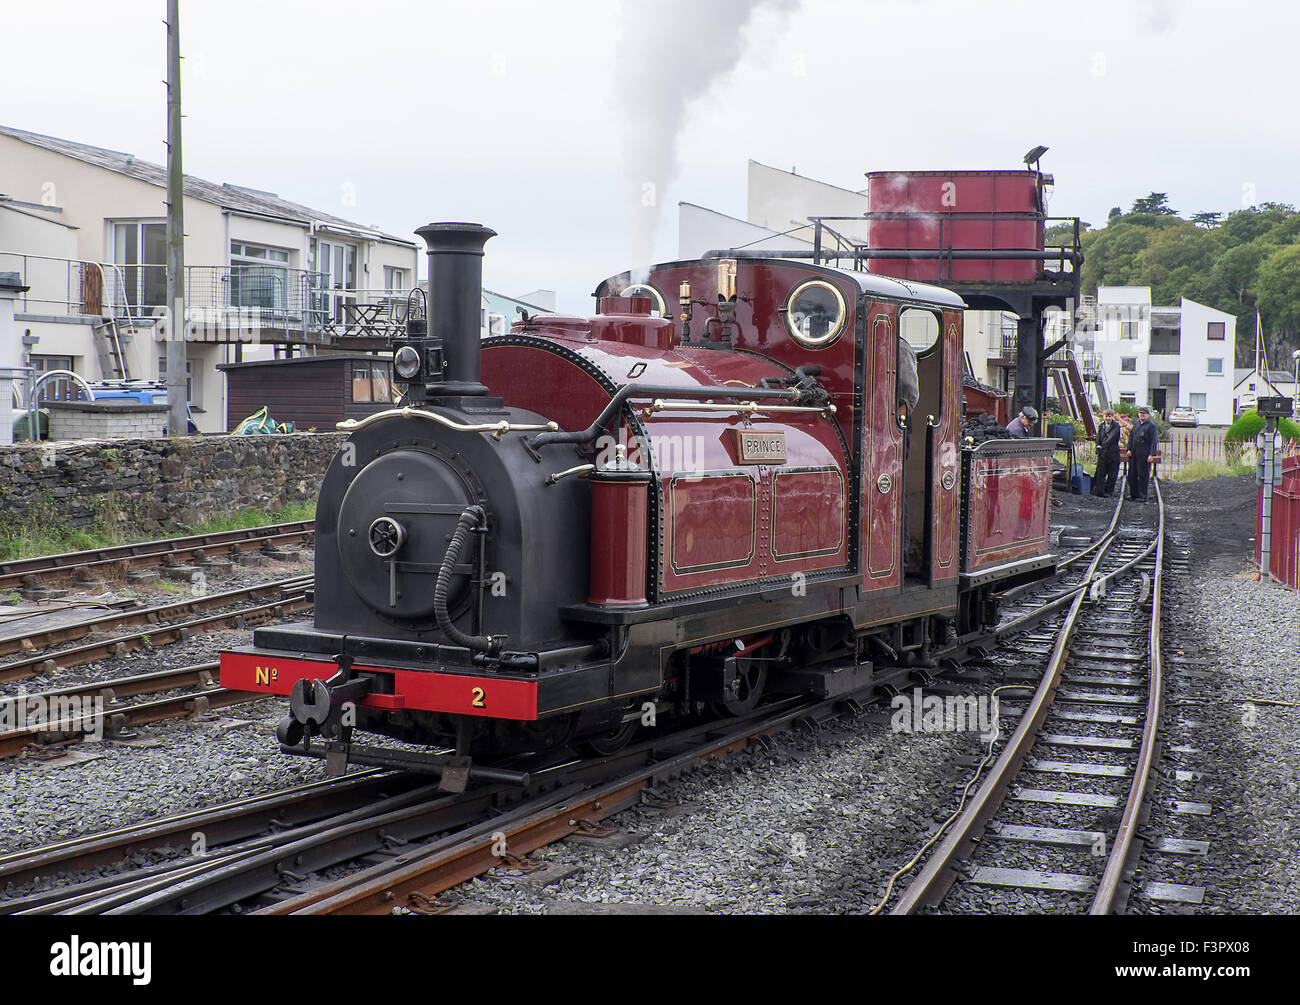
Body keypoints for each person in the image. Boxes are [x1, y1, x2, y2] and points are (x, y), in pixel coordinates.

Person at [897, 337, 920, 574]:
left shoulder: (900, 347)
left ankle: (900, 560)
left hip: (891, 430)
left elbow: (907, 396)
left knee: (895, 492)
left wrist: (895, 426)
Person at [1127, 405, 1160, 502]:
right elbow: (1131, 437)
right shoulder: (1136, 424)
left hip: (1144, 454)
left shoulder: (1151, 426)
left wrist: (1151, 454)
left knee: (1143, 475)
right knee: (1132, 475)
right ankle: (1133, 494)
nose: (1141, 415)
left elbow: (1154, 441)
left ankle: (1142, 495)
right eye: (1140, 413)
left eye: (1144, 414)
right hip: (1134, 453)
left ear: (1148, 415)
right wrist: (1129, 449)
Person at [1092, 410, 1121, 496]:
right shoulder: (1101, 426)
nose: (1108, 418)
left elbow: (1112, 437)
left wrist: (1103, 445)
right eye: (1106, 416)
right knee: (1100, 472)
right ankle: (1100, 491)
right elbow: (1098, 438)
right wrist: (1098, 446)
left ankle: (1109, 491)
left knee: (1112, 474)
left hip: (1113, 453)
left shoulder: (1116, 426)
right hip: (1103, 453)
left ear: (1112, 417)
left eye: (1109, 416)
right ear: (1103, 416)